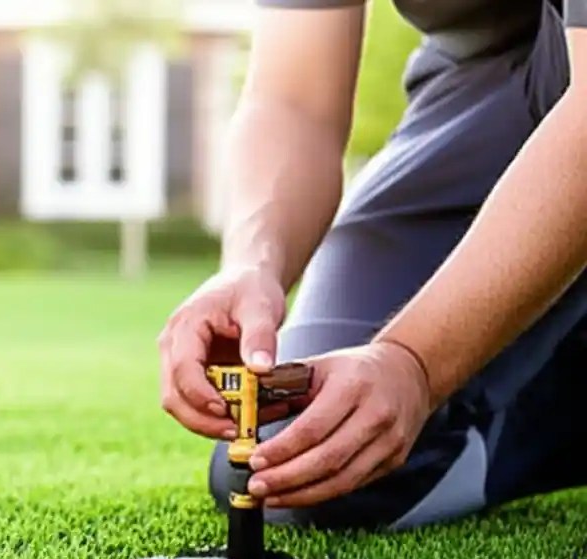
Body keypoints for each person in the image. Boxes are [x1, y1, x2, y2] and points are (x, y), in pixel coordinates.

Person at [157, 0, 587, 531]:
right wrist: (252, 264)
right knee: (302, 453)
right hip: (484, 100)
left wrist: (416, 361)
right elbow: (294, 99)